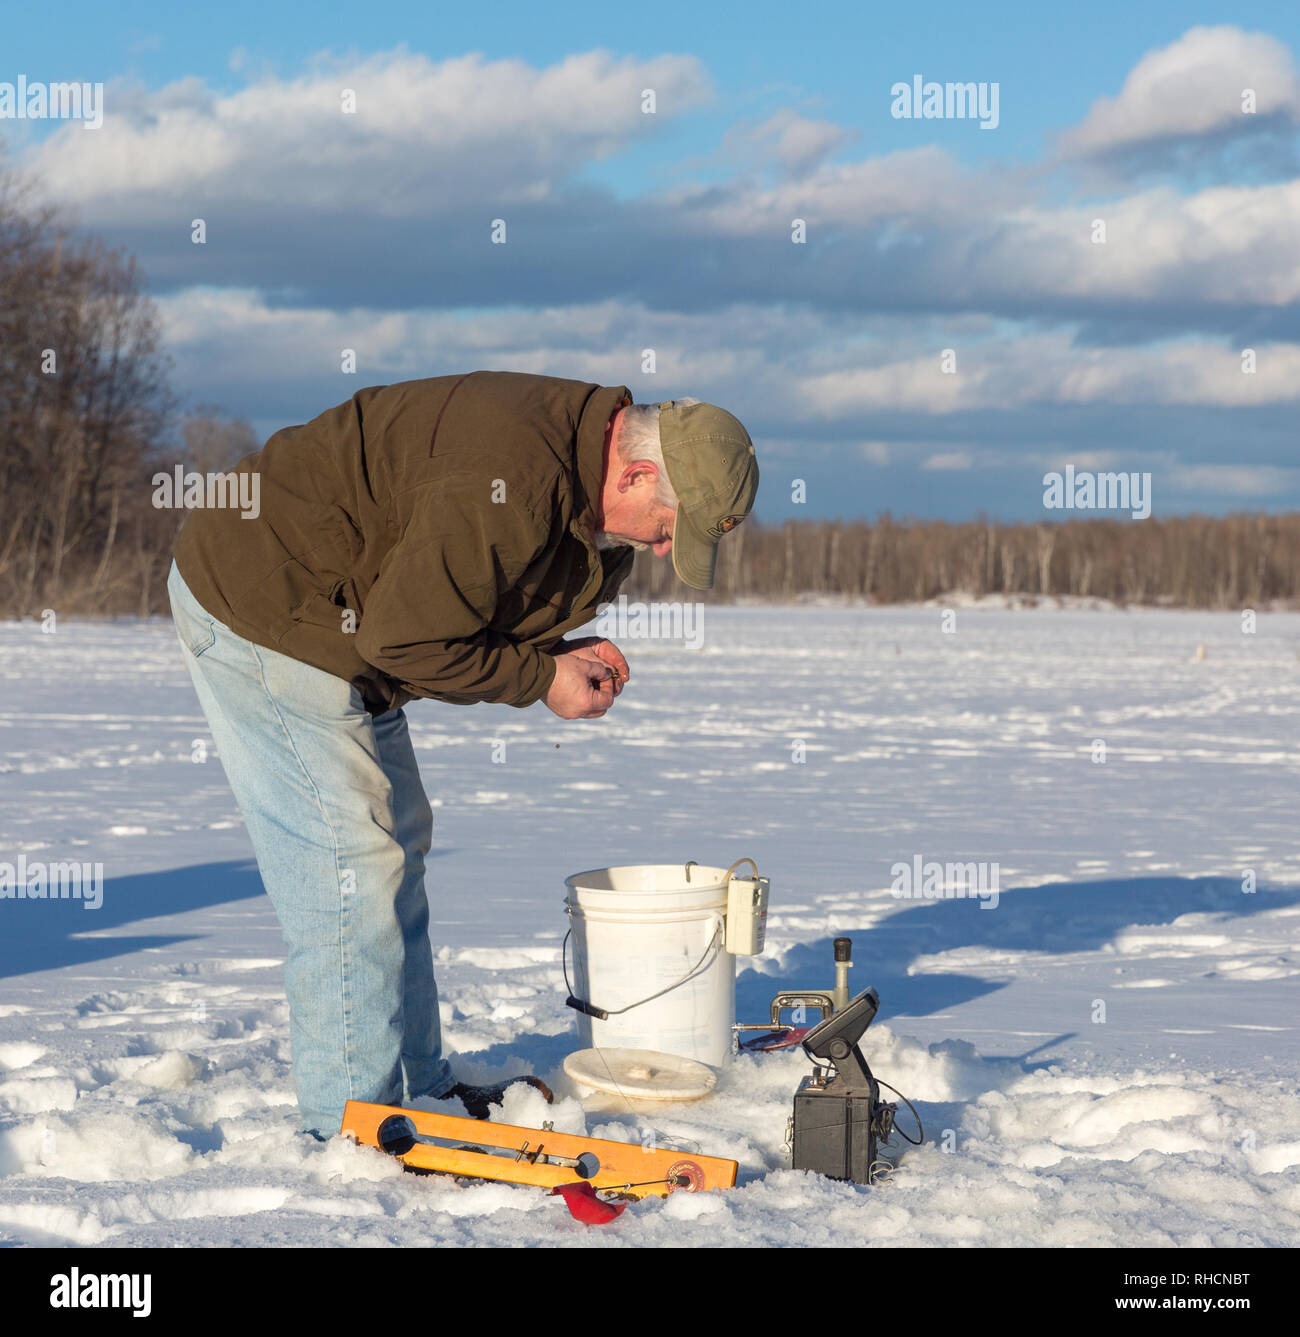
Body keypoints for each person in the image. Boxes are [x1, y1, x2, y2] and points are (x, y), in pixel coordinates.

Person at [167, 370, 758, 1137]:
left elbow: (460, 599)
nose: (667, 546)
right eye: (673, 525)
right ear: (638, 470)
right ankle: (349, 1132)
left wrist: (550, 651)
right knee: (352, 865)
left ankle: (422, 1088)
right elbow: (409, 638)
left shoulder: (578, 492)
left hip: (351, 624)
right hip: (267, 608)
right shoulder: (506, 476)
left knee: (400, 837)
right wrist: (542, 677)